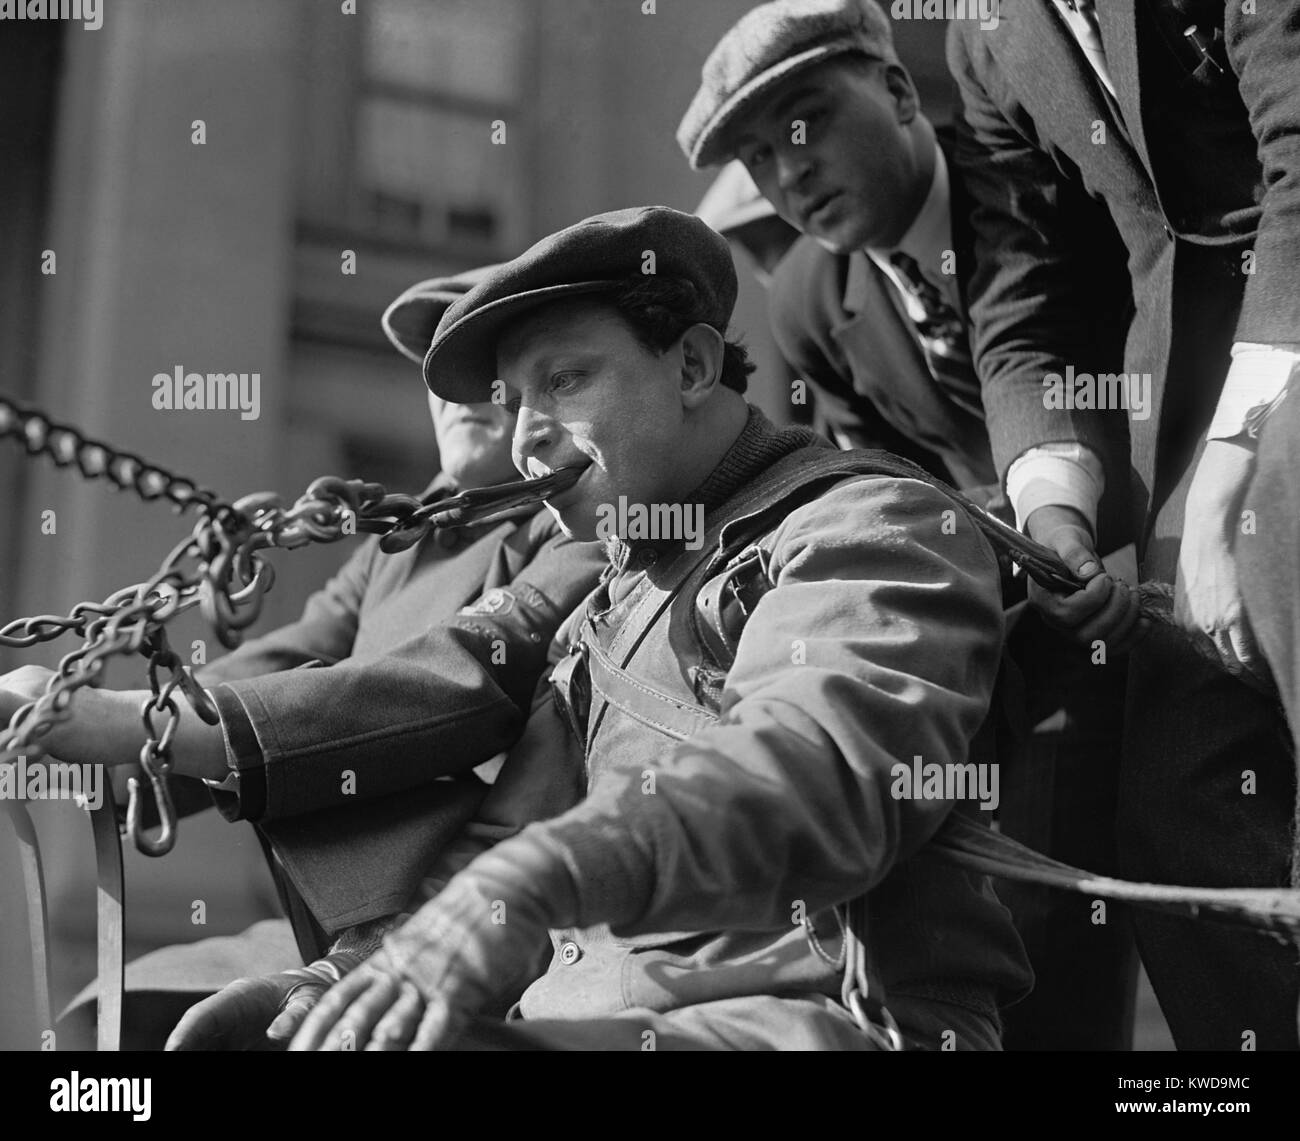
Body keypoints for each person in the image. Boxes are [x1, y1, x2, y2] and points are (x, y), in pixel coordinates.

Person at [183, 204, 1034, 1052]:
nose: (525, 439)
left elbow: (818, 770)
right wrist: (347, 980)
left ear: (693, 365)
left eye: (563, 381)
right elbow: (500, 843)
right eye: (512, 401)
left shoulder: (869, 525)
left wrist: (541, 881)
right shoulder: (605, 614)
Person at [675, 0, 1136, 1048]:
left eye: (802, 126)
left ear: (893, 91)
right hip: (1037, 657)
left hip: (1174, 577)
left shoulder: (1037, 176)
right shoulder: (806, 299)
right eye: (756, 156)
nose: (785, 175)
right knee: (1034, 941)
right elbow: (897, 496)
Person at [9, 268, 605, 1048]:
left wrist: (128, 723)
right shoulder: (402, 546)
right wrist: (94, 744)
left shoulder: (588, 525)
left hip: (486, 917)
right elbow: (278, 663)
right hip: (335, 916)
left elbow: (455, 681)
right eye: (438, 366)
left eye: (485, 363)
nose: (458, 391)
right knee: (102, 1022)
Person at [947, 0, 1300, 1048]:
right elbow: (1026, 294)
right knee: (1174, 802)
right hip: (1177, 413)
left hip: (1279, 353)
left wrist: (1231, 476)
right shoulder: (983, 33)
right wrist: (1054, 516)